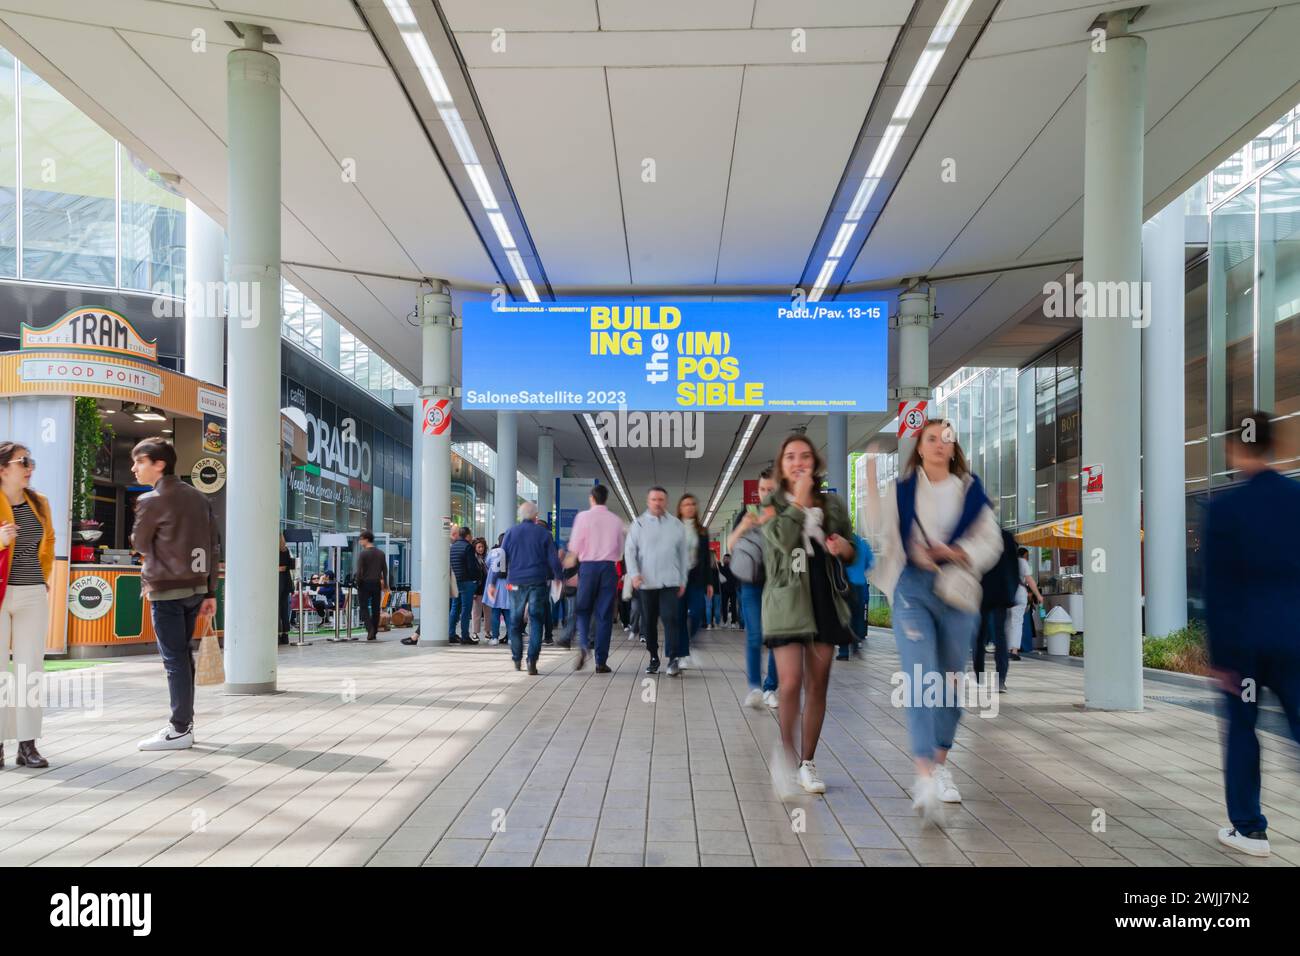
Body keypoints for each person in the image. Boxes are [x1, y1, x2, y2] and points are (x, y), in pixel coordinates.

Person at [864, 420, 1001, 822]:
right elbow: (876, 526)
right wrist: (871, 479)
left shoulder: (970, 492)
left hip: (957, 590)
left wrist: (955, 551)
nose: (940, 445)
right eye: (931, 439)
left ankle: (941, 762)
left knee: (951, 680)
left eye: (947, 439)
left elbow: (990, 542)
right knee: (920, 675)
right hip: (912, 589)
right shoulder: (903, 490)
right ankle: (924, 772)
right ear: (919, 448)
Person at [1204, 412, 1300, 858]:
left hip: (1242, 647)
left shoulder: (1224, 508)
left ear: (1235, 449)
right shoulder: (1296, 498)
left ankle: (1250, 829)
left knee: (1243, 731)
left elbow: (1216, 587)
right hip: (1293, 639)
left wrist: (1220, 656)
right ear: (1273, 446)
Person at [759, 434, 858, 795]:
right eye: (790, 457)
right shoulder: (770, 503)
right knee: (790, 682)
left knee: (818, 683)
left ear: (815, 463)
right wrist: (798, 502)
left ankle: (807, 762)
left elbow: (851, 551)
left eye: (804, 456)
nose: (798, 462)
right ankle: (784, 756)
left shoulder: (832, 505)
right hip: (787, 599)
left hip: (824, 596)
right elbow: (783, 542)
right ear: (781, 466)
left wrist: (845, 548)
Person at [129, 437, 221, 752]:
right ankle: (184, 723)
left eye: (139, 461)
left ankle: (180, 728)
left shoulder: (150, 501)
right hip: (196, 588)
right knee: (183, 655)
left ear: (160, 464)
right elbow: (213, 545)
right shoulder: (199, 498)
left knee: (174, 659)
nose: (134, 468)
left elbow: (140, 544)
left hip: (165, 588)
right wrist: (210, 591)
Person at [0, 442, 54, 768]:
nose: (30, 467)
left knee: (29, 669)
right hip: (0, 594)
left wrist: (43, 578)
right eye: (23, 462)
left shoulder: (40, 502)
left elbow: (48, 543)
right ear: (3, 468)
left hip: (32, 592)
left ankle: (27, 745)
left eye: (30, 461)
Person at [728, 467, 779, 709]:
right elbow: (730, 545)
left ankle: (771, 688)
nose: (765, 493)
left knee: (776, 636)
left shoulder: (785, 514)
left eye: (770, 489)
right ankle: (755, 687)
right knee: (755, 635)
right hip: (750, 583)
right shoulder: (747, 513)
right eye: (762, 489)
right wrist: (743, 526)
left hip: (779, 584)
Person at [624, 486, 689, 676]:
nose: (657, 503)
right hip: (646, 582)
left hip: (670, 581)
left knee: (671, 618)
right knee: (649, 622)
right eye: (654, 499)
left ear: (666, 502)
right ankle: (653, 656)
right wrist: (634, 574)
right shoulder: (639, 524)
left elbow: (683, 555)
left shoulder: (676, 525)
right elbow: (629, 551)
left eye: (661, 500)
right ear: (648, 501)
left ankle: (673, 658)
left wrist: (683, 579)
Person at [564, 484, 626, 672]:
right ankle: (601, 661)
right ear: (605, 499)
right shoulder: (616, 520)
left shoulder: (582, 517)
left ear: (592, 498)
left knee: (583, 610)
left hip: (588, 568)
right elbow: (620, 552)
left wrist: (570, 566)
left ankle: (584, 645)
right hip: (608, 569)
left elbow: (574, 546)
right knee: (604, 616)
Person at [501, 502, 563, 674]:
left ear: (521, 515)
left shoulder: (511, 532)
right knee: (536, 621)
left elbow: (501, 557)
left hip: (515, 582)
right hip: (538, 582)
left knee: (515, 620)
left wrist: (492, 582)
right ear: (536, 516)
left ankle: (516, 658)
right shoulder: (544, 534)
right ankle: (532, 661)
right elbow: (553, 559)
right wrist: (559, 577)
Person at [975, 530, 1021, 689]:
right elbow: (1014, 569)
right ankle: (1000, 679)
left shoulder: (977, 534)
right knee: (998, 637)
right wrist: (1011, 592)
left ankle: (981, 677)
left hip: (983, 594)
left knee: (980, 637)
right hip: (996, 595)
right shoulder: (1005, 536)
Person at [676, 493, 710, 668]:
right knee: (680, 616)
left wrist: (710, 582)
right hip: (677, 578)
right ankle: (683, 653)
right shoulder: (674, 528)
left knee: (697, 611)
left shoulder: (702, 531)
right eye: (686, 504)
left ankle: (691, 640)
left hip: (696, 578)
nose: (690, 507)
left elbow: (706, 559)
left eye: (692, 504)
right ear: (680, 508)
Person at [837, 530, 873, 661]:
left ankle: (843, 651)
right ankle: (856, 644)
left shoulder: (842, 542)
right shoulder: (863, 543)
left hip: (845, 584)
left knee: (844, 616)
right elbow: (870, 563)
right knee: (857, 616)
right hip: (860, 584)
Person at [1006, 547, 1042, 660]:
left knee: (1007, 622)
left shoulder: (1005, 561)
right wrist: (1038, 595)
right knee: (1016, 622)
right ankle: (1014, 650)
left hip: (1006, 594)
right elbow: (1029, 580)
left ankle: (1006, 649)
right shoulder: (1022, 562)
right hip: (1019, 593)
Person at [354, 530, 387, 641]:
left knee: (363, 607)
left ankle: (370, 629)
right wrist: (386, 584)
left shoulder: (363, 554)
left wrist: (358, 583)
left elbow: (359, 571)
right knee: (375, 608)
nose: (359, 541)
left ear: (366, 539)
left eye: (360, 539)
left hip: (364, 583)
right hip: (376, 583)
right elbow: (385, 570)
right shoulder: (381, 553)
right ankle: (374, 630)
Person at [448, 526, 478, 645]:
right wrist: (476, 578)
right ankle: (465, 636)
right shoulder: (468, 547)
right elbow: (471, 566)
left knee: (455, 608)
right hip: (466, 581)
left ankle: (451, 634)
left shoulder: (453, 547)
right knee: (466, 609)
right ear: (467, 535)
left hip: (456, 581)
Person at [483, 533, 511, 646]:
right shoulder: (512, 552)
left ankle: (495, 637)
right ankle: (511, 638)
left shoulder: (493, 552)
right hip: (508, 586)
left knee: (495, 612)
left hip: (494, 585)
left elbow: (488, 564)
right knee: (509, 612)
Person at [470, 537, 489, 642]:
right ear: (475, 548)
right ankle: (475, 632)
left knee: (488, 612)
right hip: (478, 589)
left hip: (487, 588)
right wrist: (473, 591)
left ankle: (487, 632)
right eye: (479, 547)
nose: (481, 549)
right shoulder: (473, 559)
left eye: (482, 547)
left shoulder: (488, 558)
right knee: (476, 612)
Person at [278, 534, 295, 645]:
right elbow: (291, 565)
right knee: (284, 609)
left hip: (279, 581)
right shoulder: (286, 550)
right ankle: (285, 635)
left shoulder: (272, 551)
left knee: (277, 609)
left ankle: (279, 634)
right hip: (285, 582)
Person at [720, 554, 739, 628]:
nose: (726, 560)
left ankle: (733, 622)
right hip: (724, 590)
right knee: (724, 606)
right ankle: (725, 621)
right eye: (725, 559)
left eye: (727, 559)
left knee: (733, 606)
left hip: (733, 590)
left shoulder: (733, 568)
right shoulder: (722, 568)